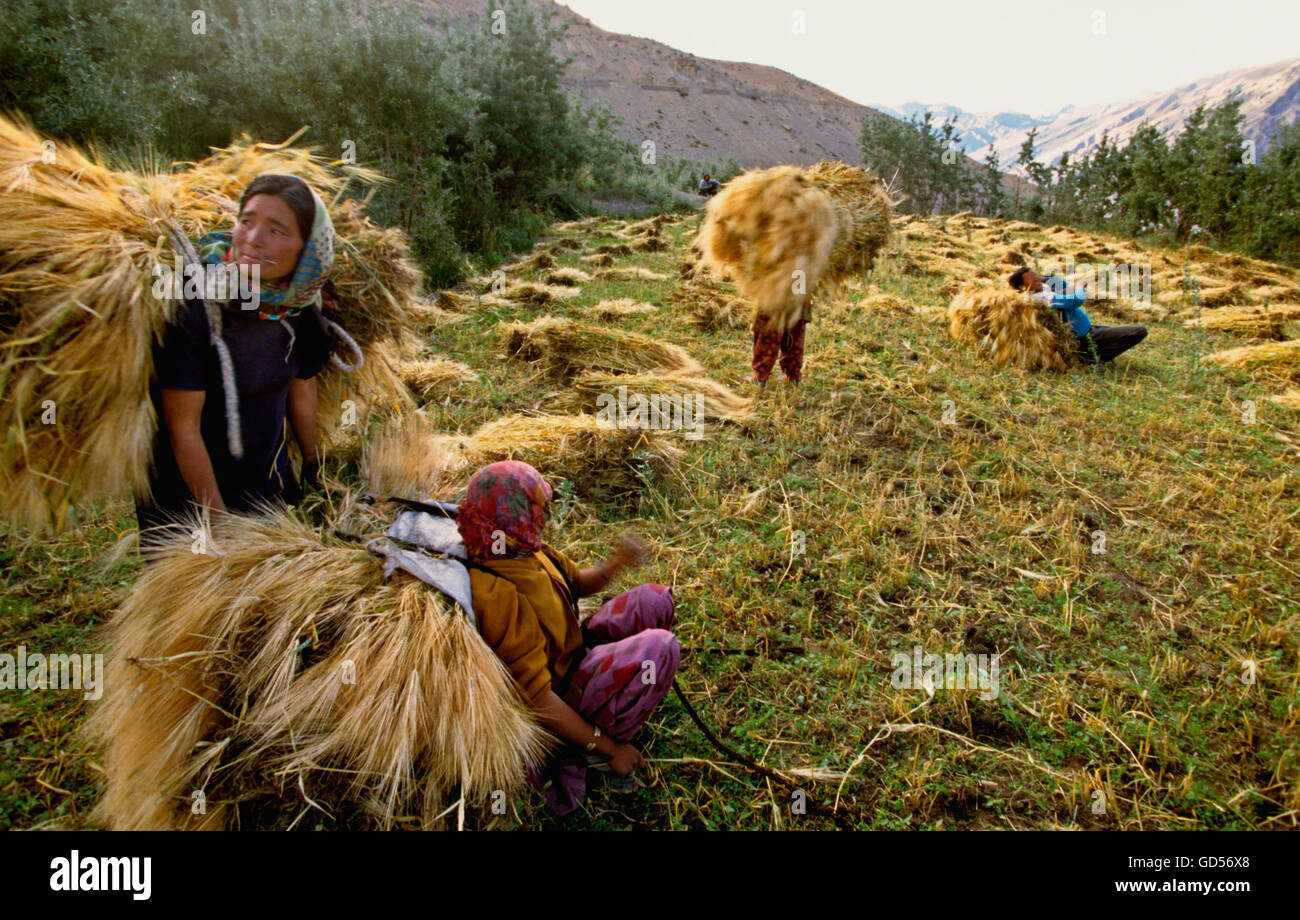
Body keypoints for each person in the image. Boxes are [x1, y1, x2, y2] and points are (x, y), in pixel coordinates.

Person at [457, 460, 680, 817]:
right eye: (536, 511)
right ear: (509, 516)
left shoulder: (527, 550)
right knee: (660, 650)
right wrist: (608, 748)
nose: (543, 520)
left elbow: (575, 581)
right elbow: (538, 700)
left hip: (576, 651)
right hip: (563, 698)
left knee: (655, 599)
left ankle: (611, 691)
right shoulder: (495, 592)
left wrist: (615, 565)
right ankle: (591, 747)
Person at [137, 173, 337, 556]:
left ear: (307, 249)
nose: (252, 239)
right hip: (188, 511)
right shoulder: (196, 308)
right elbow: (184, 429)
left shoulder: (301, 308)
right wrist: (220, 526)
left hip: (267, 493)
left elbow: (302, 386)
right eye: (246, 221)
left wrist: (314, 466)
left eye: (276, 230)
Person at [1008, 266, 1147, 364]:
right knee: (1139, 331)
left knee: (1115, 334)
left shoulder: (1041, 289)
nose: (1037, 278)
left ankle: (1093, 354)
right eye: (1031, 278)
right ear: (1022, 287)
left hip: (1089, 329)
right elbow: (1076, 300)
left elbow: (1062, 286)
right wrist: (1080, 286)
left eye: (1035, 274)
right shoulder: (1041, 300)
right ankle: (1091, 358)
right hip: (1083, 336)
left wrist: (1040, 279)